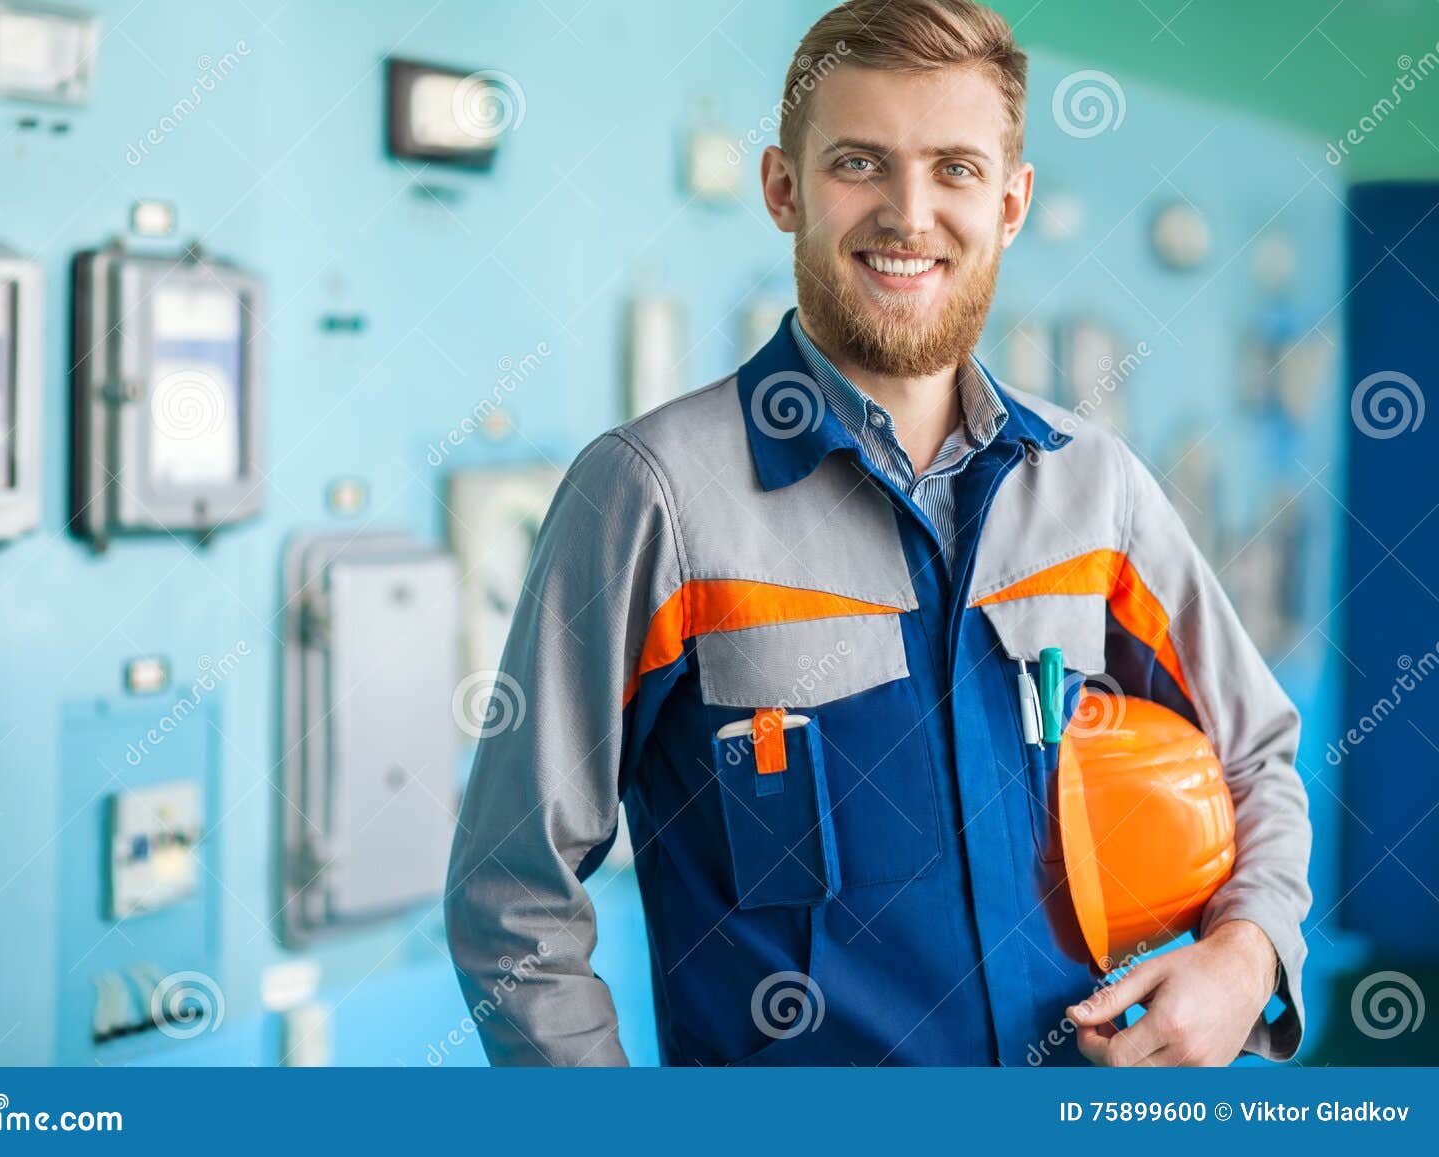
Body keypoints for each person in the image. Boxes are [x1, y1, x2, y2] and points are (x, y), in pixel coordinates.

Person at [444, 0, 1310, 1067]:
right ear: (782, 188)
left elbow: (1256, 756)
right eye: (860, 162)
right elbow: (510, 888)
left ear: (1010, 202)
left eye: (954, 168)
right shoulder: (654, 496)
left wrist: (1246, 952)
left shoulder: (1093, 491)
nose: (909, 214)